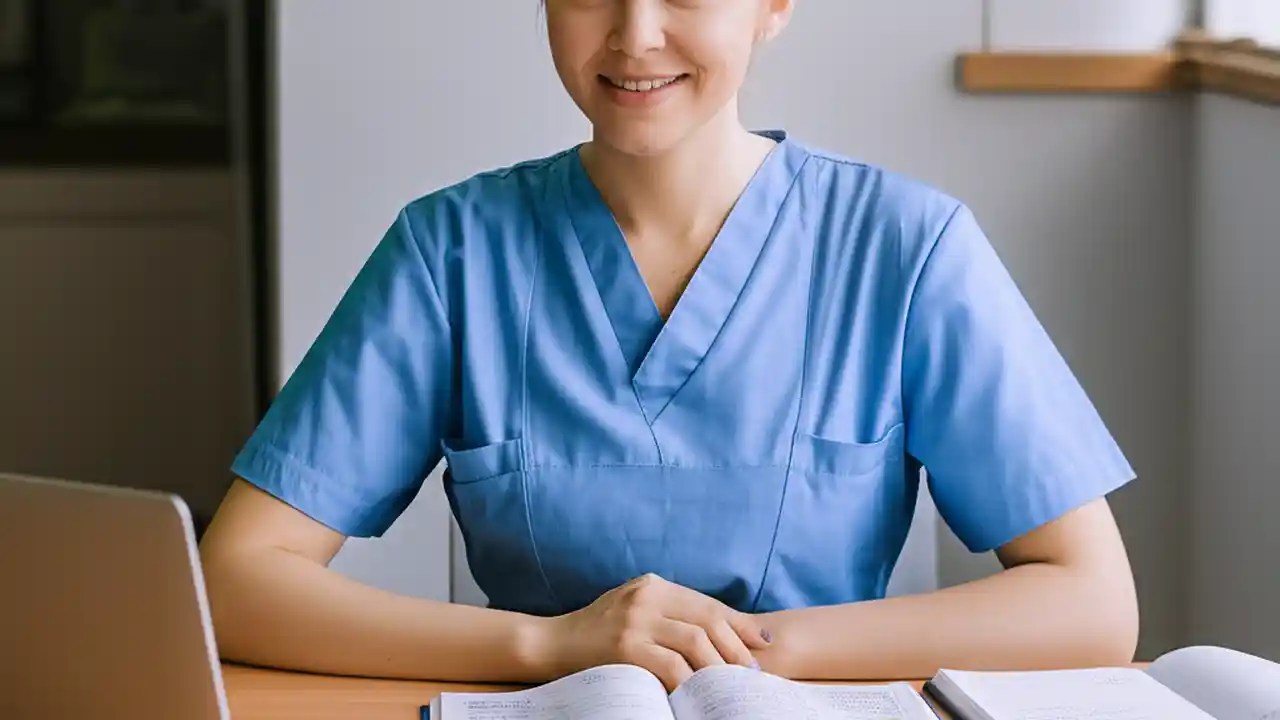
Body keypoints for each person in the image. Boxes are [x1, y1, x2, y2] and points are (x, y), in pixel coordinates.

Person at [198, 0, 1140, 692]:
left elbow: (1091, 601)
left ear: (773, 5)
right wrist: (553, 646)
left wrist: (756, 652)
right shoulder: (451, 251)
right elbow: (237, 582)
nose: (634, 33)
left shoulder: (903, 245)